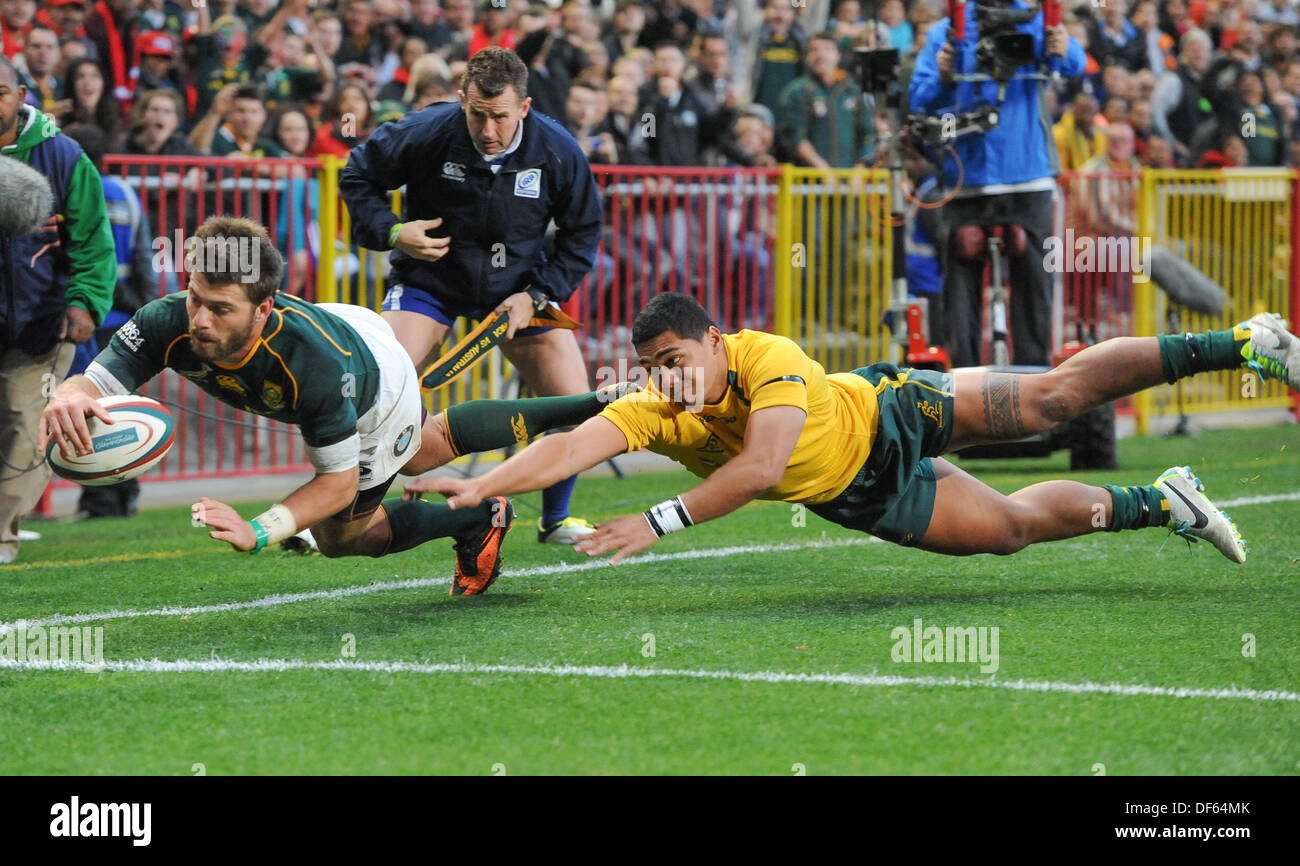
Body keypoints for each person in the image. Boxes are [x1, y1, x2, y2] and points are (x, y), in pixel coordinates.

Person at [410, 293, 1300, 569]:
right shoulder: (658, 404)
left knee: (1051, 403)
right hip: (860, 493)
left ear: (716, 340)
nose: (663, 378)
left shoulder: (771, 357)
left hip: (892, 411)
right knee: (1010, 534)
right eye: (650, 366)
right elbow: (567, 447)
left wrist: (658, 521)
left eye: (677, 357)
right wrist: (484, 486)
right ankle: (1164, 502)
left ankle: (1238, 343)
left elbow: (760, 467)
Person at [40, 216, 634, 593]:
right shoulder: (168, 318)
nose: (199, 319)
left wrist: (261, 528)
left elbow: (336, 483)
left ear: (264, 308)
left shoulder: (313, 368)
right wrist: (68, 396)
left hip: (377, 388)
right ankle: (590, 403)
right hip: (353, 327)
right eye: (196, 298)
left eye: (220, 309)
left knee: (341, 537)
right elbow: (96, 381)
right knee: (427, 450)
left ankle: (478, 516)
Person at [340, 47, 604, 545]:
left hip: (517, 293)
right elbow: (357, 177)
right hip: (429, 284)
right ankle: (340, 514)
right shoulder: (426, 130)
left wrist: (539, 293)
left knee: (574, 403)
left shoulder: (558, 149)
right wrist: (394, 232)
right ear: (461, 99)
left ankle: (555, 521)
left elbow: (583, 231)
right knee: (376, 385)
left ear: (523, 108)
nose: (487, 130)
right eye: (476, 115)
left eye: (500, 118)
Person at [910, 2, 1085, 368]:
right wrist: (943, 76)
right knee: (959, 296)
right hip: (968, 178)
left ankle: (1034, 384)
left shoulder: (1036, 21)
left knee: (1036, 291)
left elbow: (1075, 66)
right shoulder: (947, 32)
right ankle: (963, 391)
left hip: (1028, 174)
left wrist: (1063, 47)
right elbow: (918, 100)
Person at [0, 54, 115, 563]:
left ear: (20, 94)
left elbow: (92, 240)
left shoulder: (63, 156)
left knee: (27, 430)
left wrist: (86, 301)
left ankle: (1, 539)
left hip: (40, 326)